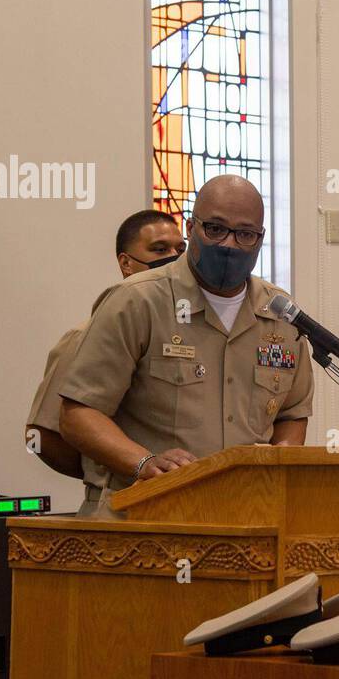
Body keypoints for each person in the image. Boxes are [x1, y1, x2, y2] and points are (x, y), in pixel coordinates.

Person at [58, 175, 313, 516]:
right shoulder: (138, 301)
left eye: (245, 234)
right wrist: (143, 462)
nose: (229, 244)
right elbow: (78, 414)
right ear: (191, 228)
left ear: (260, 238)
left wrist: (278, 461)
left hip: (244, 516)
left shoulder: (280, 313)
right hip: (142, 515)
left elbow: (292, 414)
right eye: (215, 229)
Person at [26, 210, 186, 479]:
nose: (174, 258)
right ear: (126, 263)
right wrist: (105, 473)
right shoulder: (86, 335)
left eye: (180, 250)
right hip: (125, 496)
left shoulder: (181, 329)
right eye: (159, 249)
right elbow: (41, 437)